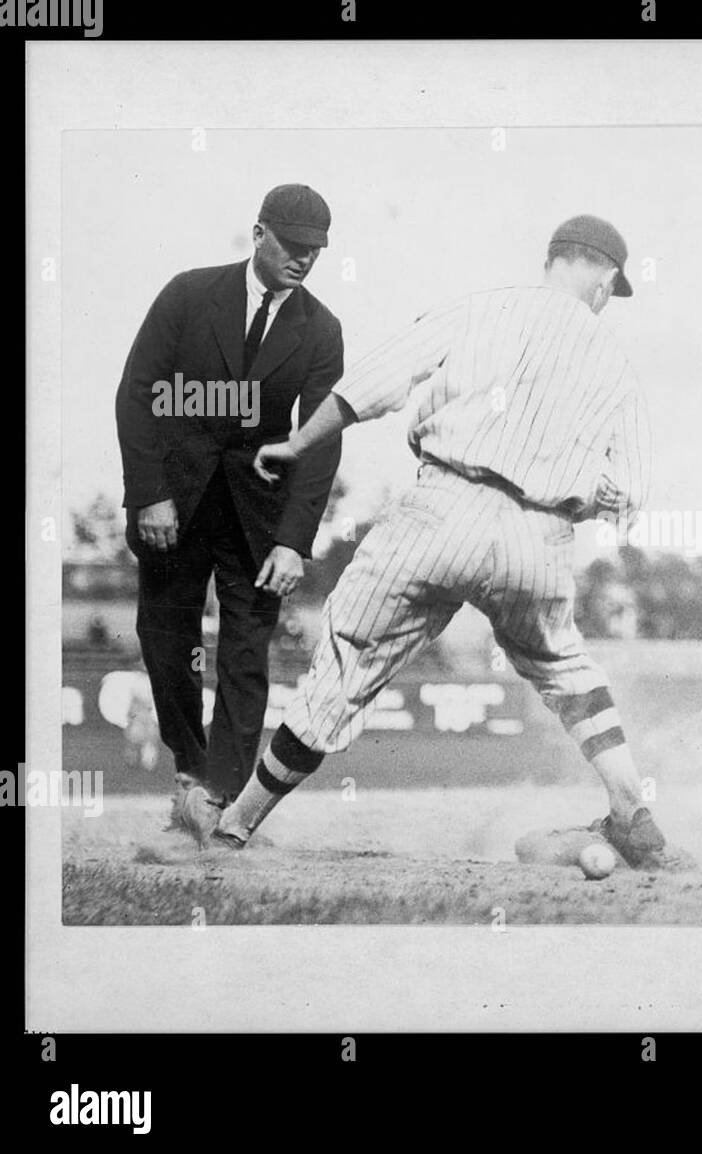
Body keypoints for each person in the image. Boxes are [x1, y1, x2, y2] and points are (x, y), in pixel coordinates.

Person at [211, 215, 671, 868]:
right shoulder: (615, 365)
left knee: (346, 665)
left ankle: (235, 826)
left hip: (440, 510)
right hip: (537, 539)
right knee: (566, 666)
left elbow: (376, 383)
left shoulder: (482, 310)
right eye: (611, 285)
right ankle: (630, 806)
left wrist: (295, 442)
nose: (608, 299)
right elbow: (628, 492)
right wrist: (586, 490)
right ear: (599, 270)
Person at [114, 184, 343, 839]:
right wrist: (149, 493)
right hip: (174, 510)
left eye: (316, 251)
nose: (304, 259)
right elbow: (138, 394)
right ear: (259, 233)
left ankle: (217, 800)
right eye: (293, 246)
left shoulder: (321, 329)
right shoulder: (189, 294)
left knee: (245, 658)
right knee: (168, 642)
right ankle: (189, 771)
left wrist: (294, 541)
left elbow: (321, 439)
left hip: (258, 523)